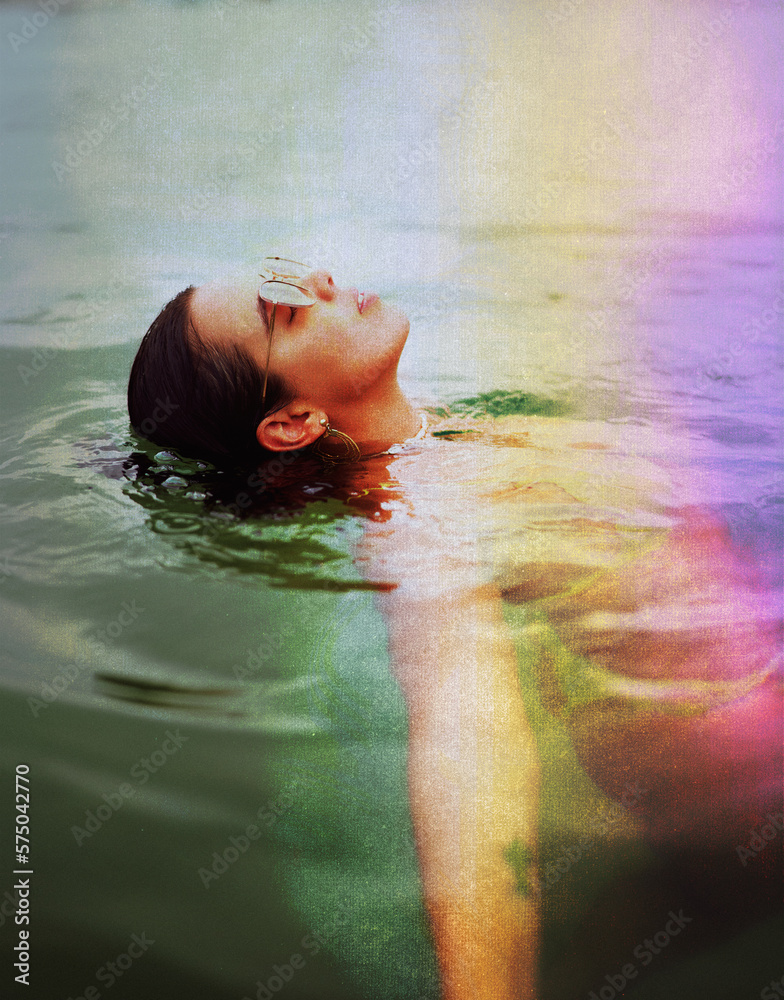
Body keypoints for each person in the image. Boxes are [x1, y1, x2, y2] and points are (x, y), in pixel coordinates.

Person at [129, 261, 781, 999]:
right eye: (280, 310)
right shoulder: (416, 529)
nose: (313, 278)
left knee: (649, 936)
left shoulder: (438, 444)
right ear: (288, 423)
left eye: (286, 269)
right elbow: (465, 741)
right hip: (758, 794)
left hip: (724, 781)